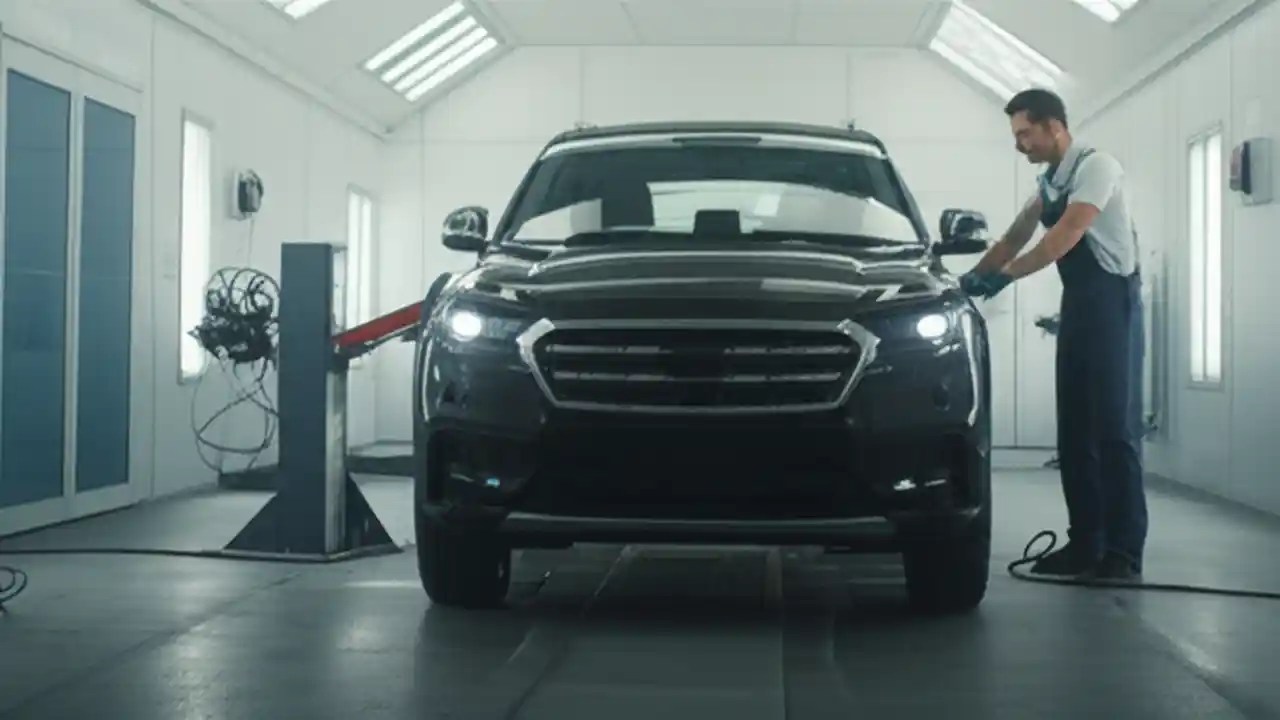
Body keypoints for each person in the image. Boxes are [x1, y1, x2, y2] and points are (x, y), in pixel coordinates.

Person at [961, 88, 1147, 580]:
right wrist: (967, 281)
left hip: (1112, 302)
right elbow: (1015, 236)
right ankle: (1085, 543)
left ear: (1054, 127)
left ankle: (1123, 552)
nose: (1019, 144)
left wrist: (1005, 278)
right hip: (1080, 306)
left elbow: (1063, 236)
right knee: (1075, 431)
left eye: (1025, 133)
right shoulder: (1048, 182)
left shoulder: (1096, 166)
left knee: (1113, 430)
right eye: (1016, 135)